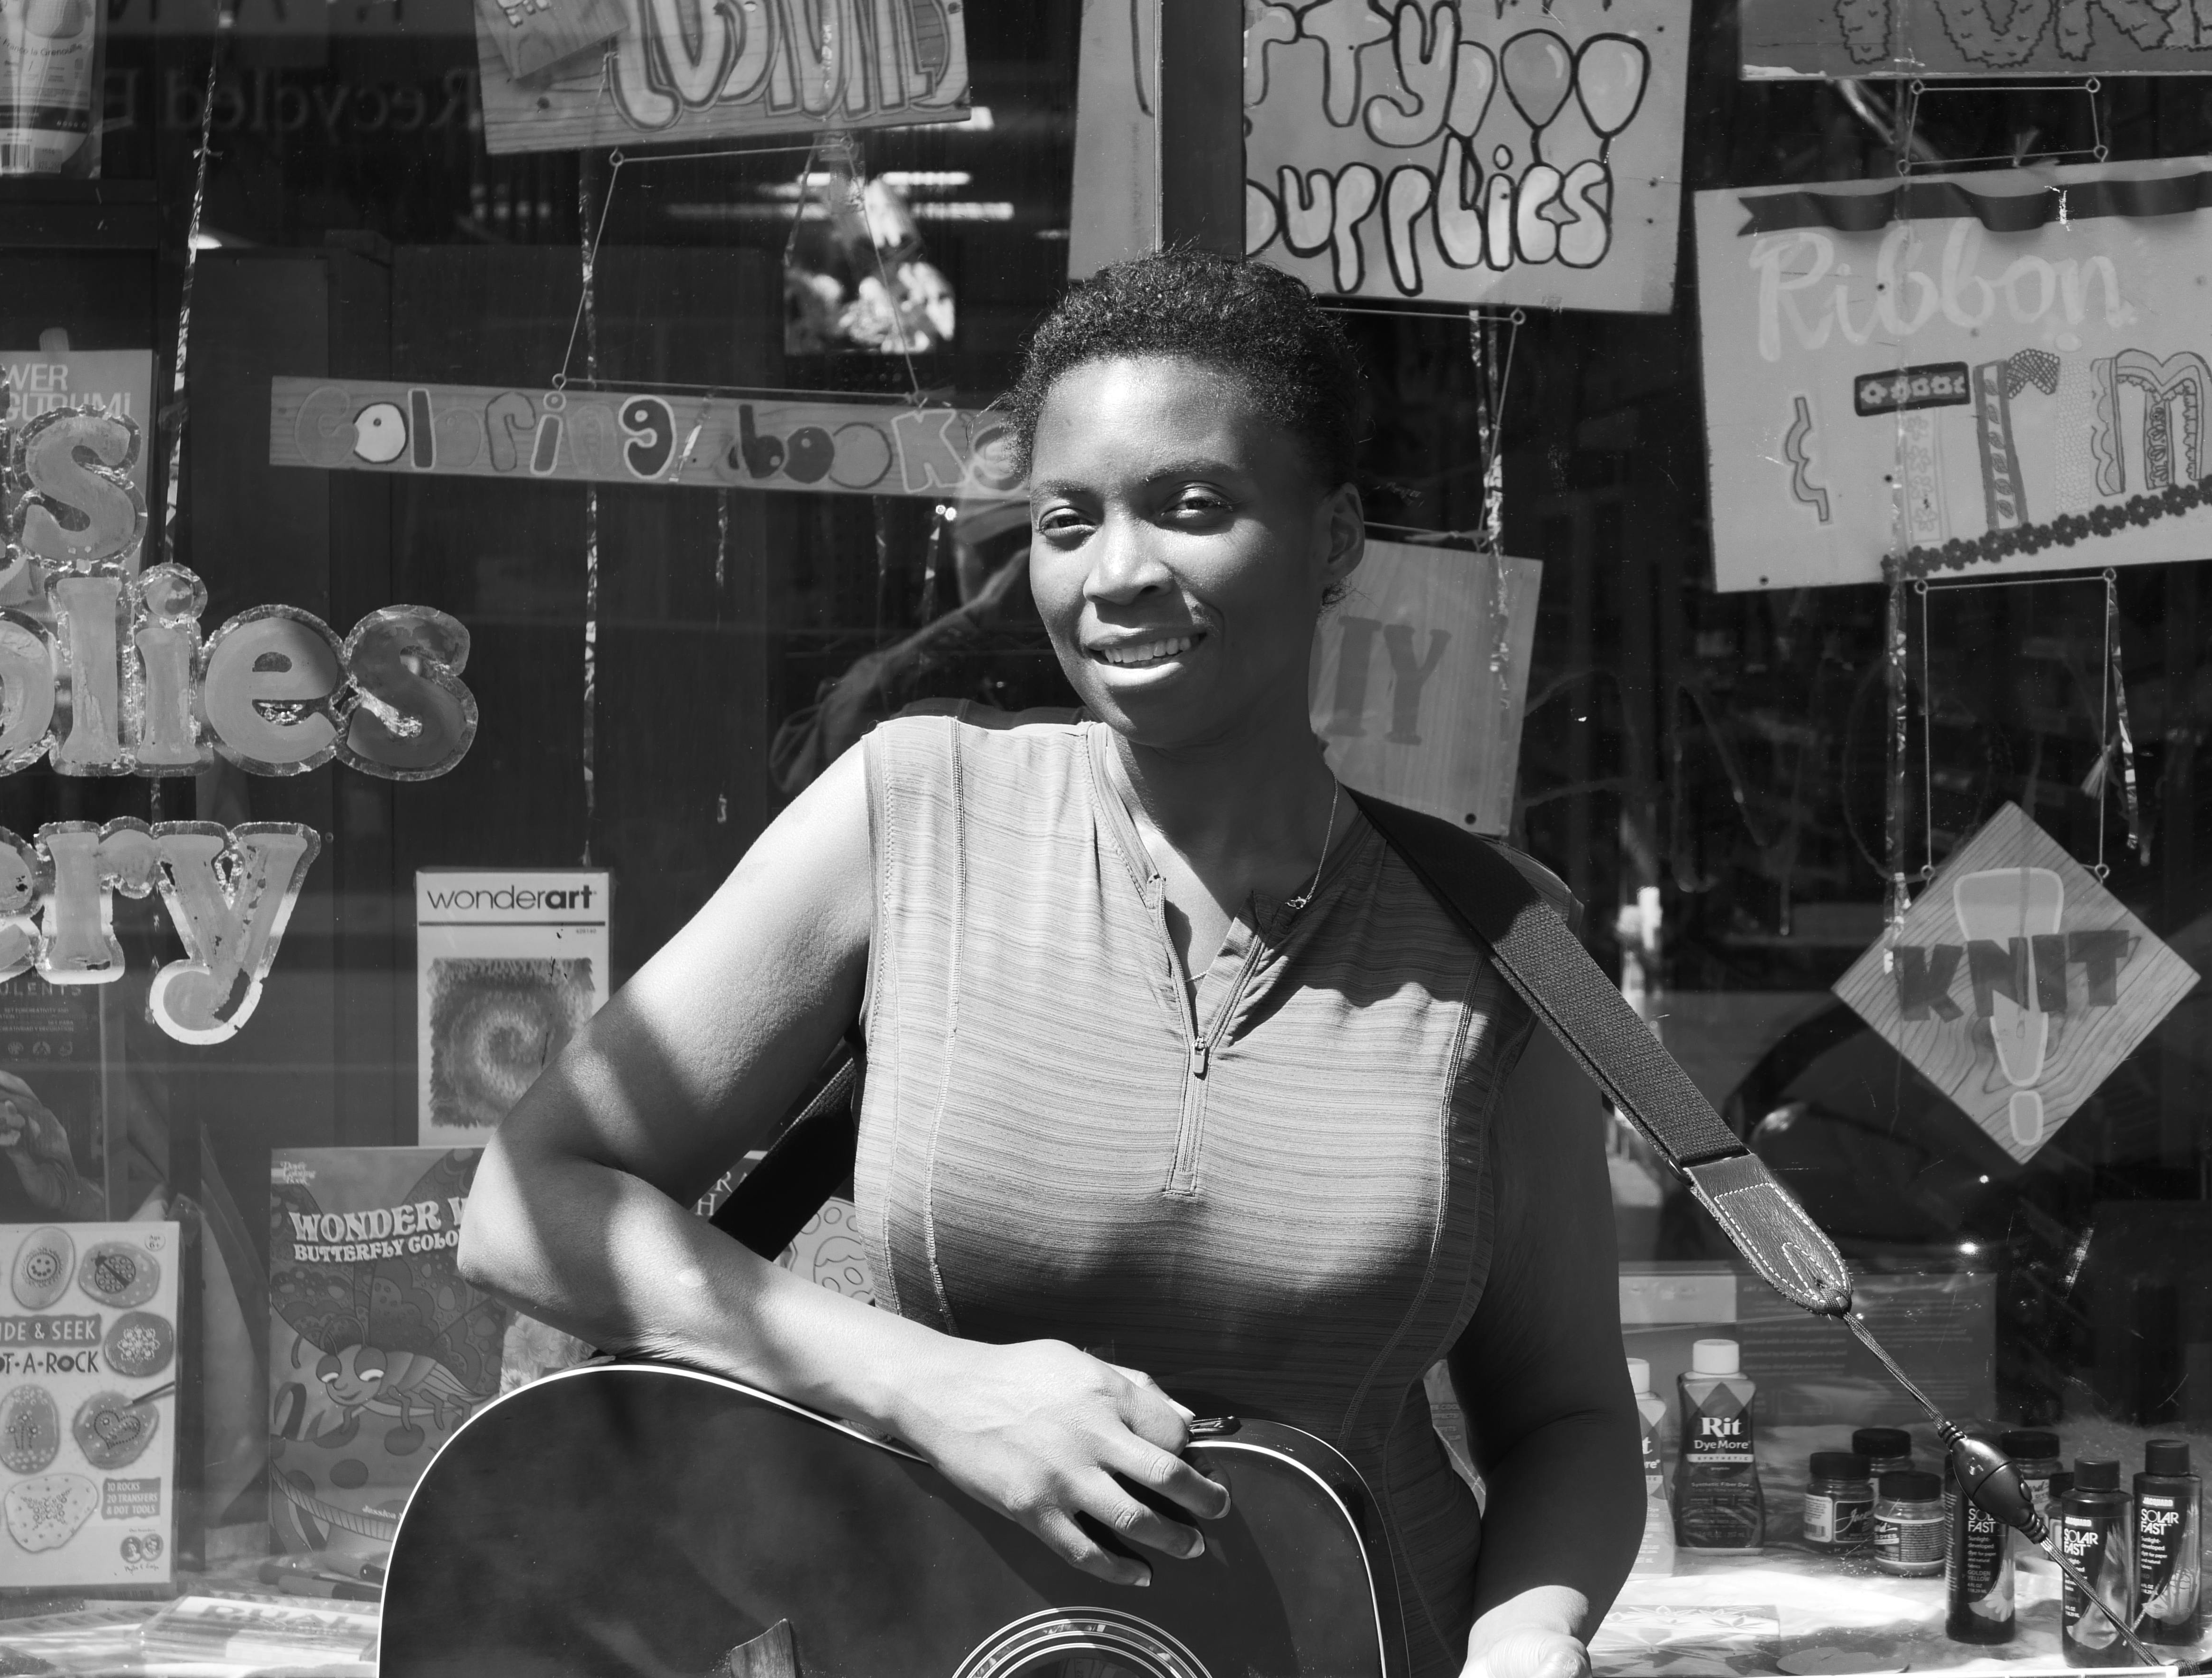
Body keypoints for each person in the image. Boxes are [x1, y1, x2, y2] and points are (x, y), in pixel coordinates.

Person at [459, 250, 1642, 1678]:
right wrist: (926, 1384)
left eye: (1191, 507)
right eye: (1066, 522)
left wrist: (1529, 1636)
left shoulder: (1493, 933)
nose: (1117, 574)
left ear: (1334, 539)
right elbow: (526, 1205)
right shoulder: (912, 816)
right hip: (951, 1651)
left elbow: (1567, 1420)